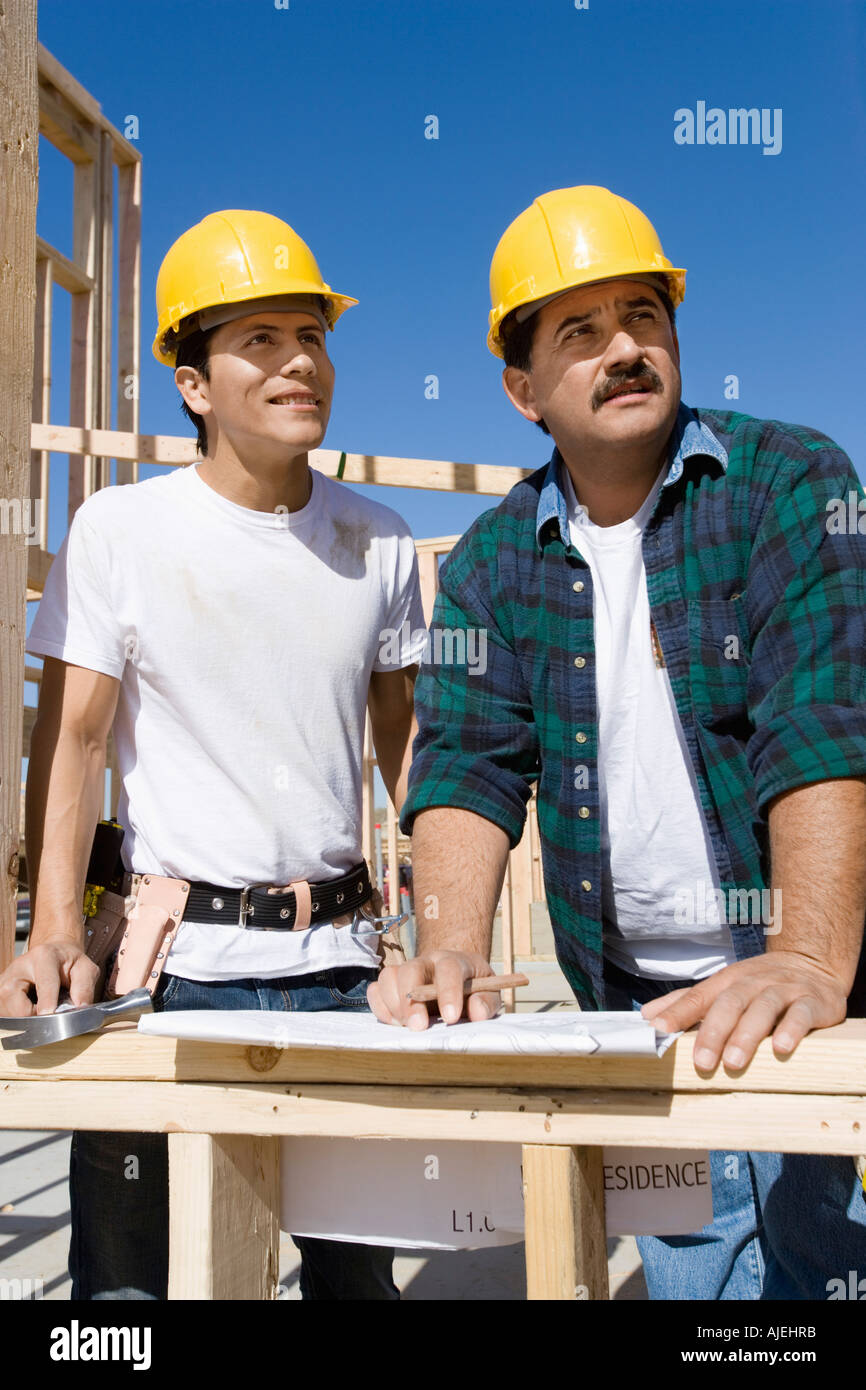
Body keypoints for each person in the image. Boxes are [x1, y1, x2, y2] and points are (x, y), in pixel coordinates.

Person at [369, 185, 866, 1299]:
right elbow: (465, 762)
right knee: (701, 1299)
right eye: (579, 332)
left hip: (814, 1008)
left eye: (642, 315)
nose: (623, 348)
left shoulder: (788, 483)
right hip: (640, 1021)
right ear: (520, 389)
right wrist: (445, 946)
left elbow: (821, 720)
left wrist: (805, 959)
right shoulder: (495, 561)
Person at [4, 209, 426, 1299]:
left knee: (354, 1286)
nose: (300, 361)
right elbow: (75, 738)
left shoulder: (376, 541)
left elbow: (409, 753)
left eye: (313, 335)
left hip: (340, 971)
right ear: (192, 385)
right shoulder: (121, 532)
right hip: (172, 974)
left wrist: (438, 937)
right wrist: (55, 929)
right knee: (128, 1298)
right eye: (261, 340)